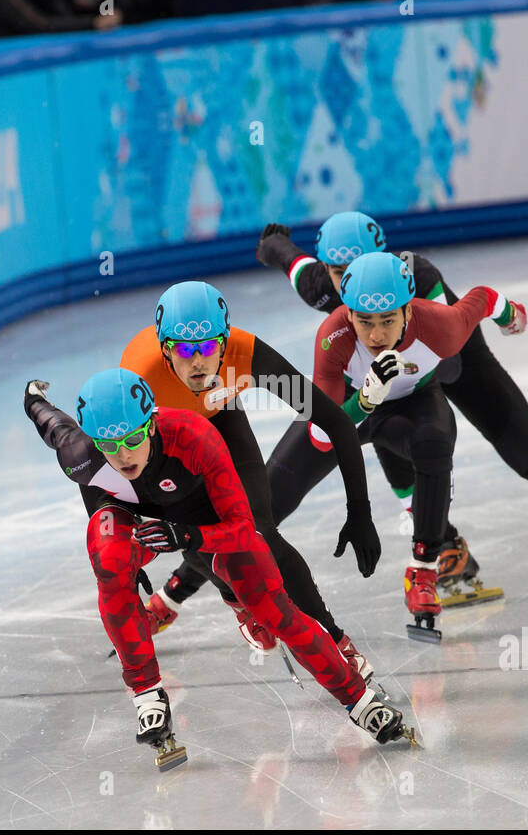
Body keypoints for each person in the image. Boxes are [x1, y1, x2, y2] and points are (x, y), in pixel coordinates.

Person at [22, 371, 413, 763]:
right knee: (108, 563)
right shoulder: (80, 454)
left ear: (152, 424)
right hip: (138, 522)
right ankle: (146, 693)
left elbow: (243, 528)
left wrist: (189, 537)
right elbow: (51, 424)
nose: (123, 455)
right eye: (110, 444)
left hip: (203, 519)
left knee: (274, 611)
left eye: (133, 439)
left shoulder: (193, 437)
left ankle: (359, 700)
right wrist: (33, 397)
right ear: (95, 441)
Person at [257, 211, 528, 569]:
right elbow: (296, 266)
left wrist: (507, 317)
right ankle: (447, 544)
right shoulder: (321, 285)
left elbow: (445, 361)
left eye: (364, 265)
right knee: (393, 433)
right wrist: (273, 244)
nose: (356, 279)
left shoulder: (418, 276)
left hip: (453, 360)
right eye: (339, 272)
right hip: (389, 372)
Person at [119, 281, 382, 681]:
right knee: (188, 528)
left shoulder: (249, 355)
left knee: (259, 534)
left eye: (208, 348)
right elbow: (102, 466)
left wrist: (359, 512)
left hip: (221, 414)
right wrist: (125, 549)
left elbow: (337, 423)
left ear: (225, 343)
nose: (197, 363)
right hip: (167, 441)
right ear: (164, 348)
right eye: (184, 350)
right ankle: (235, 599)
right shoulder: (139, 380)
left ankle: (333, 637)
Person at [272, 250, 527, 641]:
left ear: (409, 311)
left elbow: (483, 299)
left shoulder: (441, 324)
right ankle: (184, 592)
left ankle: (422, 571)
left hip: (411, 407)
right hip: (348, 410)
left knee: (435, 444)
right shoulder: (334, 336)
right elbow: (323, 437)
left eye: (387, 320)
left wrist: (511, 314)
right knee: (267, 498)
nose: (374, 335)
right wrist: (364, 401)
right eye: (364, 320)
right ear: (348, 312)